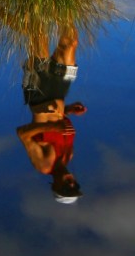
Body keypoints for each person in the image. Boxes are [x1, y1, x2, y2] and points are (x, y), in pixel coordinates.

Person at [14, 25, 86, 203]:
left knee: (38, 34)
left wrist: (52, 126)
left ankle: (5, 13)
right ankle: (64, 2)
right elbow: (58, 120)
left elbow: (22, 133)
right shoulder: (68, 155)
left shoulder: (44, 165)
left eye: (66, 188)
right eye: (75, 187)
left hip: (36, 95)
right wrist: (69, 110)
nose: (71, 184)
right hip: (59, 93)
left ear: (55, 186)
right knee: (71, 42)